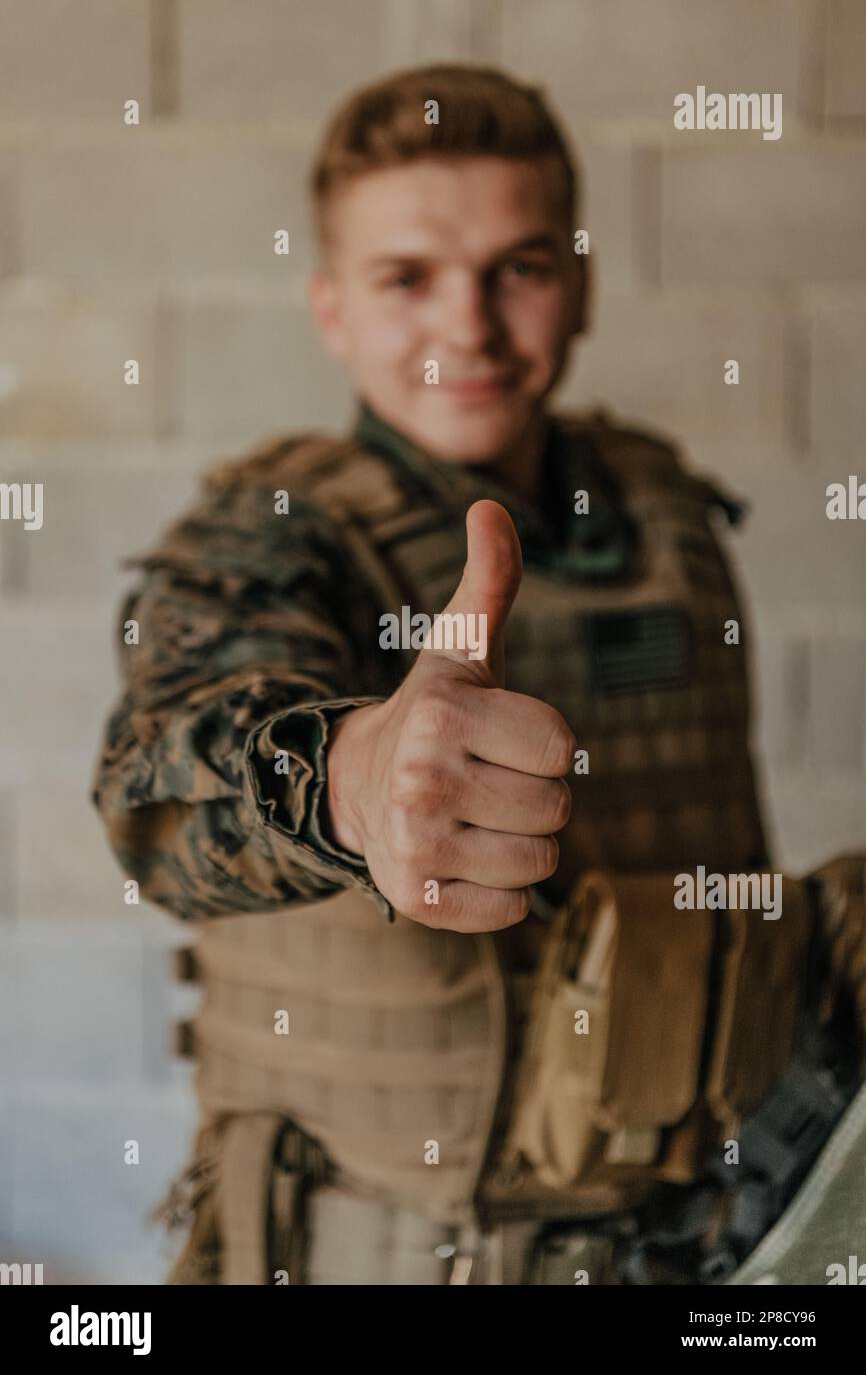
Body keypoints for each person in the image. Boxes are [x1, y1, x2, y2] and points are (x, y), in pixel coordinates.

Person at [91, 63, 866, 1286]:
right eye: (407, 278)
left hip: (704, 1243)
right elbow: (155, 795)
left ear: (581, 283)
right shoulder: (272, 535)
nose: (469, 325)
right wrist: (348, 780)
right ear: (333, 309)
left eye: (519, 266)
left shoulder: (662, 510)